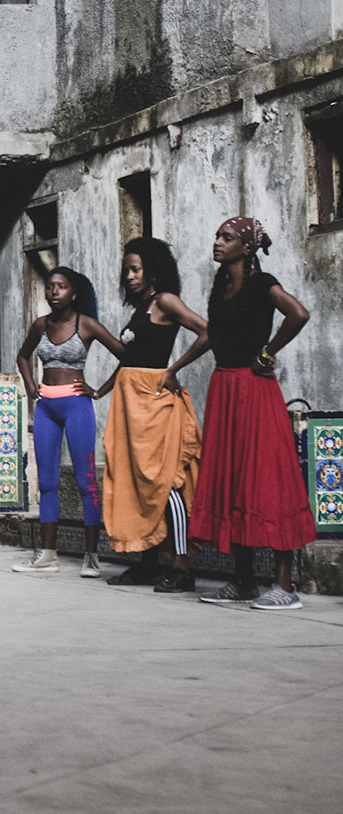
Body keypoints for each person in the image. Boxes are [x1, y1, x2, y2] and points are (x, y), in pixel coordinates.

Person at [166, 218, 315, 610]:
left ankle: (284, 586)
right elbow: (214, 335)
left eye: (226, 237)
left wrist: (267, 354)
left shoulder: (263, 284)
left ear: (247, 247)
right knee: (234, 479)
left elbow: (298, 313)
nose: (217, 242)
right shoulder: (219, 285)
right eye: (217, 235)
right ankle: (243, 580)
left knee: (269, 479)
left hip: (254, 389)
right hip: (225, 388)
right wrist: (175, 367)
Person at [95, 238, 208, 593]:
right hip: (131, 404)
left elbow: (208, 332)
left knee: (165, 480)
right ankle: (147, 563)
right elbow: (130, 358)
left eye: (135, 269)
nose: (128, 276)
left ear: (153, 271)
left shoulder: (166, 301)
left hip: (154, 401)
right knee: (136, 481)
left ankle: (181, 566)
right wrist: (101, 389)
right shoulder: (143, 306)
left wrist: (174, 369)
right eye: (126, 270)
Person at [12, 267, 125, 577]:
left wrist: (100, 390)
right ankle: (48, 556)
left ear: (73, 294)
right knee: (47, 484)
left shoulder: (86, 324)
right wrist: (30, 384)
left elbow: (126, 356)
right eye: (49, 287)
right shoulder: (40, 325)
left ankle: (91, 557)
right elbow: (23, 356)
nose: (54, 292)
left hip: (77, 406)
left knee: (86, 482)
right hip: (46, 406)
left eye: (61, 287)